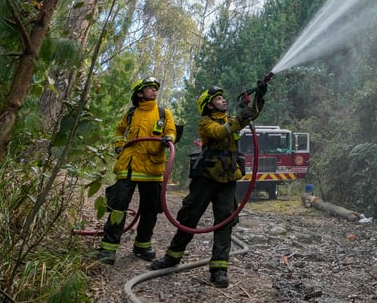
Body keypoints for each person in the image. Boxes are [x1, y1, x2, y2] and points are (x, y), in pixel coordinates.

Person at [149, 82, 265, 287]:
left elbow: (251, 114)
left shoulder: (231, 119)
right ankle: (171, 258)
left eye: (223, 97)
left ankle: (219, 270)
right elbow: (222, 132)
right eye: (218, 99)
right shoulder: (205, 123)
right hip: (206, 179)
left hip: (227, 179)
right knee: (189, 217)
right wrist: (241, 116)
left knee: (225, 223)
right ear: (209, 106)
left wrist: (260, 96)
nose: (223, 100)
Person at [96, 76, 177, 266]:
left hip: (152, 169)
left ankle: (142, 245)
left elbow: (171, 131)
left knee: (150, 209)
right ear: (140, 93)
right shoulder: (131, 113)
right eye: (150, 88)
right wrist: (119, 146)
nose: (154, 91)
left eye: (156, 88)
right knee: (118, 207)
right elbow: (119, 131)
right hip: (129, 168)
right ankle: (108, 249)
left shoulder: (164, 113)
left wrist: (168, 138)